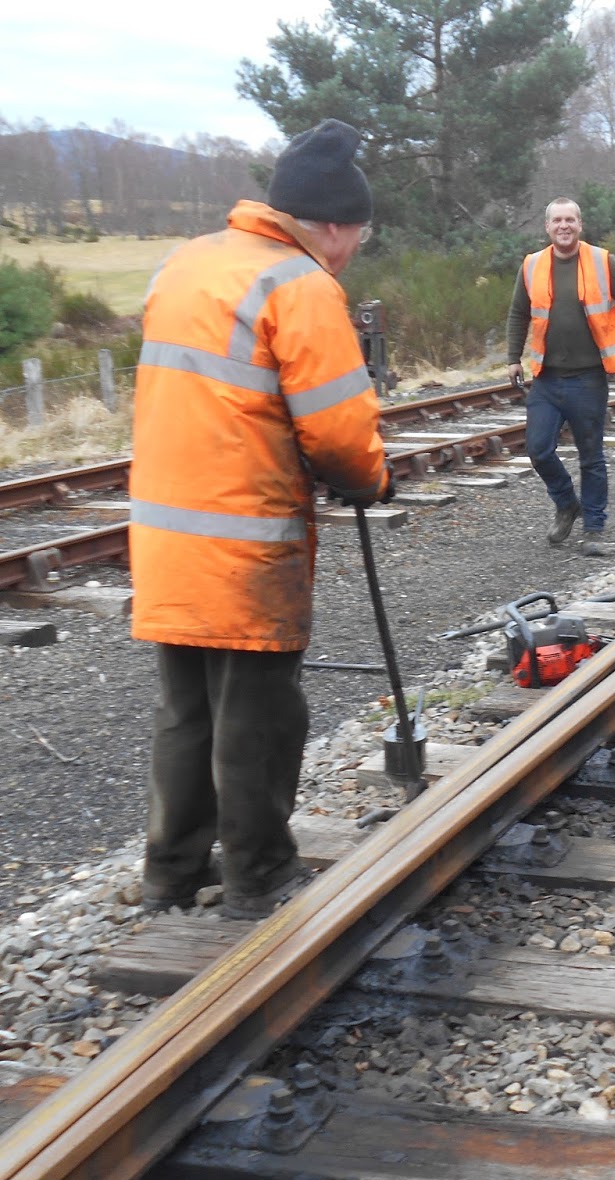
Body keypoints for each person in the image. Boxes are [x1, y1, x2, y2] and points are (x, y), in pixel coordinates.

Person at [130, 118, 390, 920]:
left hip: (166, 537)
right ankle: (260, 875)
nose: (353, 250)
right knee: (259, 716)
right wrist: (369, 481)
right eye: (358, 234)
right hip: (244, 542)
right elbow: (339, 430)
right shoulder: (301, 285)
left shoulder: (188, 262)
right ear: (336, 225)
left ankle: (171, 873)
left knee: (186, 713)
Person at [506, 198, 615, 557]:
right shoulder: (532, 265)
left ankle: (594, 530)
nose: (564, 226)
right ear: (547, 226)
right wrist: (512, 358)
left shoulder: (602, 261)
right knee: (538, 450)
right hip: (547, 378)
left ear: (580, 225)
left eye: (570, 219)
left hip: (588, 378)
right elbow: (518, 313)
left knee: (591, 456)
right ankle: (567, 503)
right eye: (557, 220)